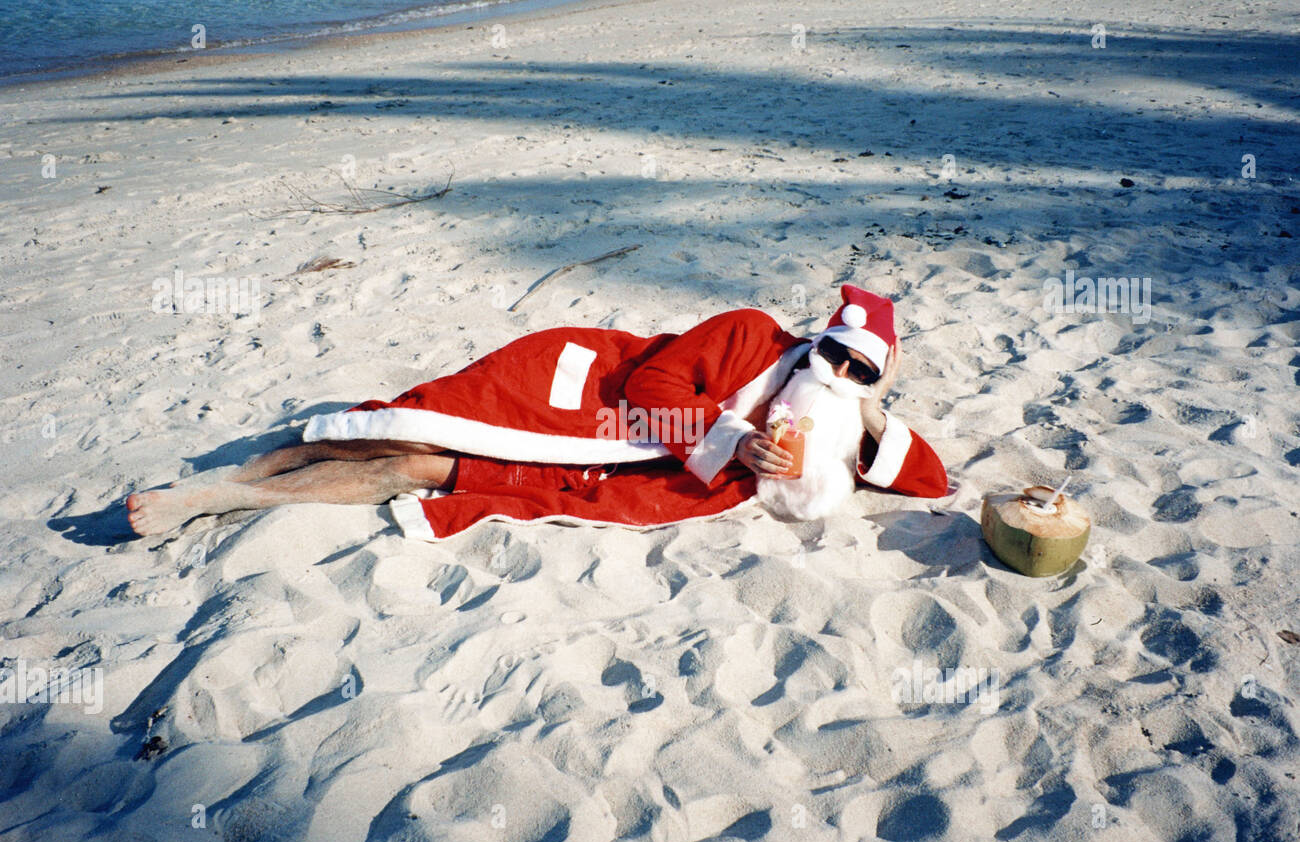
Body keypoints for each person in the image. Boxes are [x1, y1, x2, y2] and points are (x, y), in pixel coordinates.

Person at [127, 284, 947, 540]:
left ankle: (218, 499)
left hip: (591, 461)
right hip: (578, 387)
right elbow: (653, 386)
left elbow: (930, 478)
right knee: (402, 423)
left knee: (415, 467)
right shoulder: (752, 336)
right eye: (833, 354)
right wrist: (733, 439)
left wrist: (869, 412)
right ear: (817, 339)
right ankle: (239, 473)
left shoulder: (834, 419)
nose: (835, 372)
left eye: (856, 369)